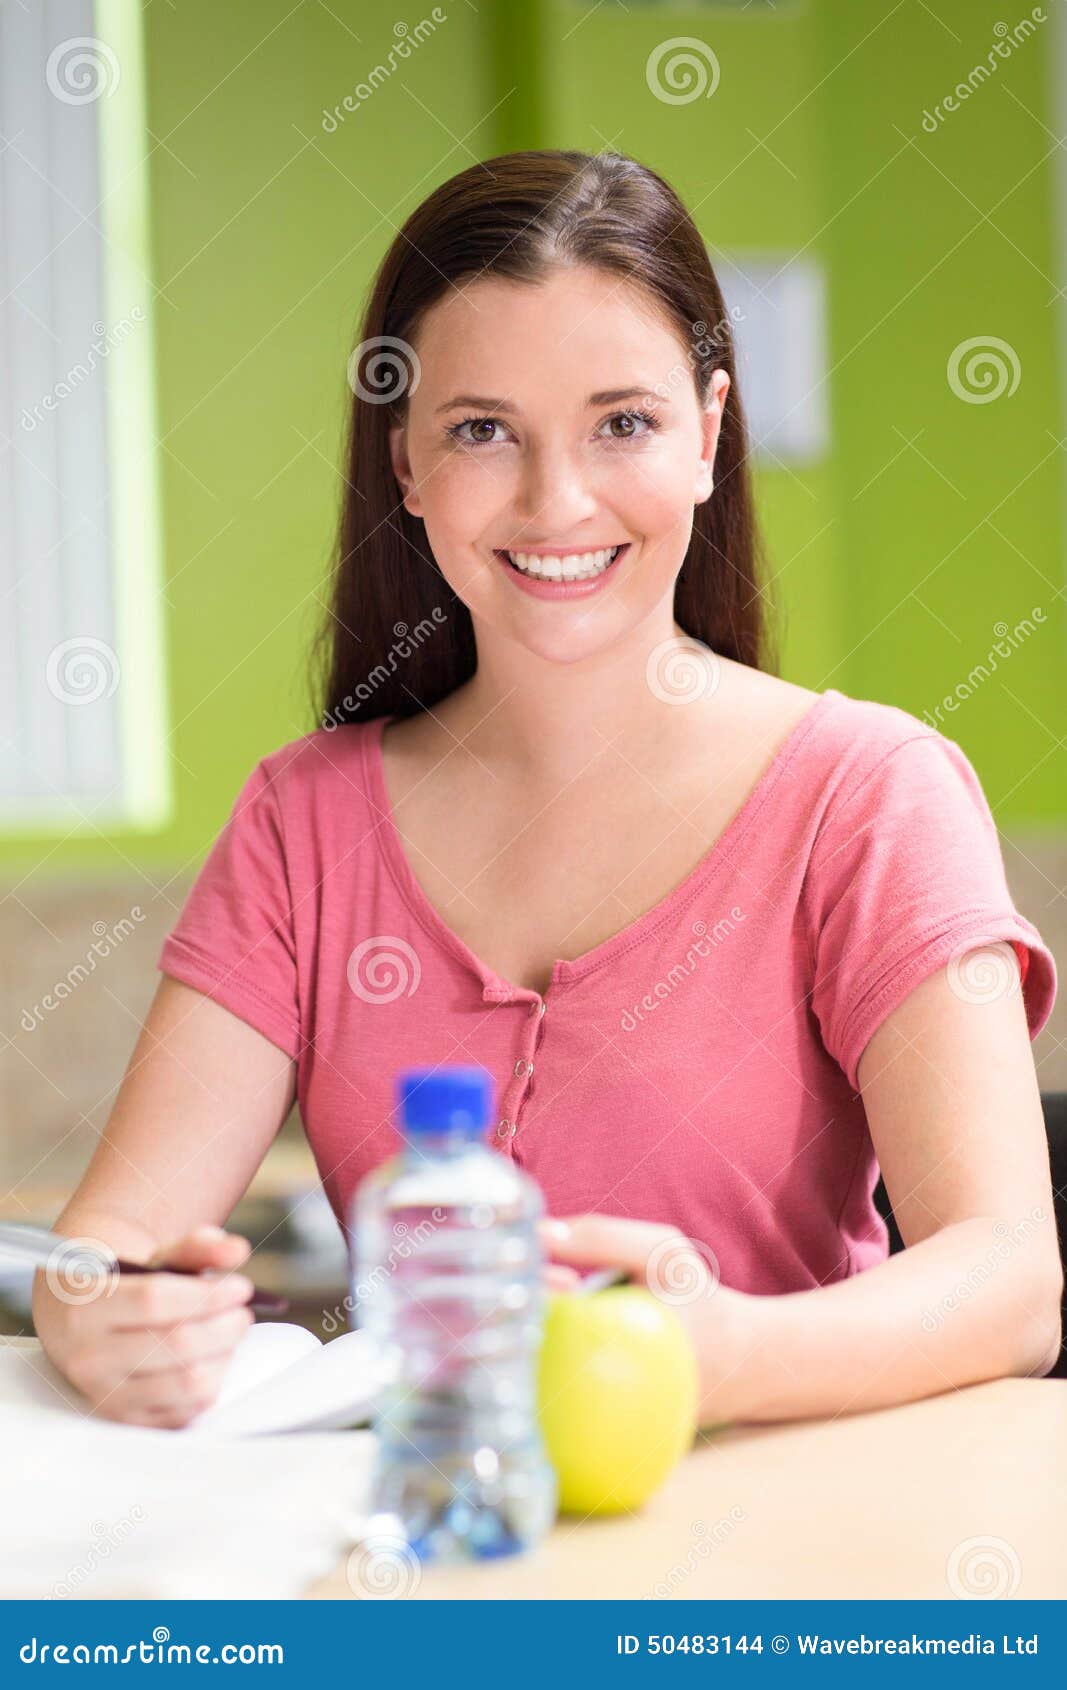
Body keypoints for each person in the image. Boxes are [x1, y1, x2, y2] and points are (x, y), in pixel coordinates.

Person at [33, 150, 1061, 1430]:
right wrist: (103, 1312)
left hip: (786, 1530)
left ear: (707, 434)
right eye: (481, 431)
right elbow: (107, 1246)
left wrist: (714, 1352)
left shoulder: (869, 796)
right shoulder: (304, 822)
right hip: (449, 1524)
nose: (554, 499)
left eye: (621, 422)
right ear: (406, 466)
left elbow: (1009, 1281)